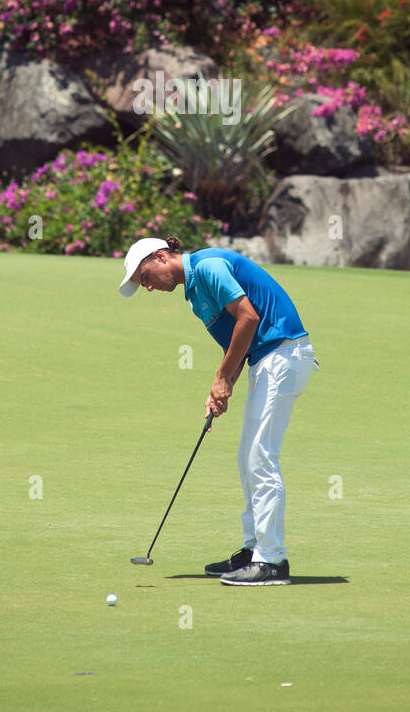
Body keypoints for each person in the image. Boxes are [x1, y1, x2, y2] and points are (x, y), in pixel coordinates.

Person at [118, 234, 317, 585]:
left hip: (284, 354)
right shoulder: (195, 296)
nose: (147, 287)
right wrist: (221, 391)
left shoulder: (208, 267)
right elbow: (236, 347)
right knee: (247, 457)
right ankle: (254, 550)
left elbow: (249, 319)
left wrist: (222, 377)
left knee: (261, 456)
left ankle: (272, 561)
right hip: (267, 360)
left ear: (161, 256)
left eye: (145, 277)